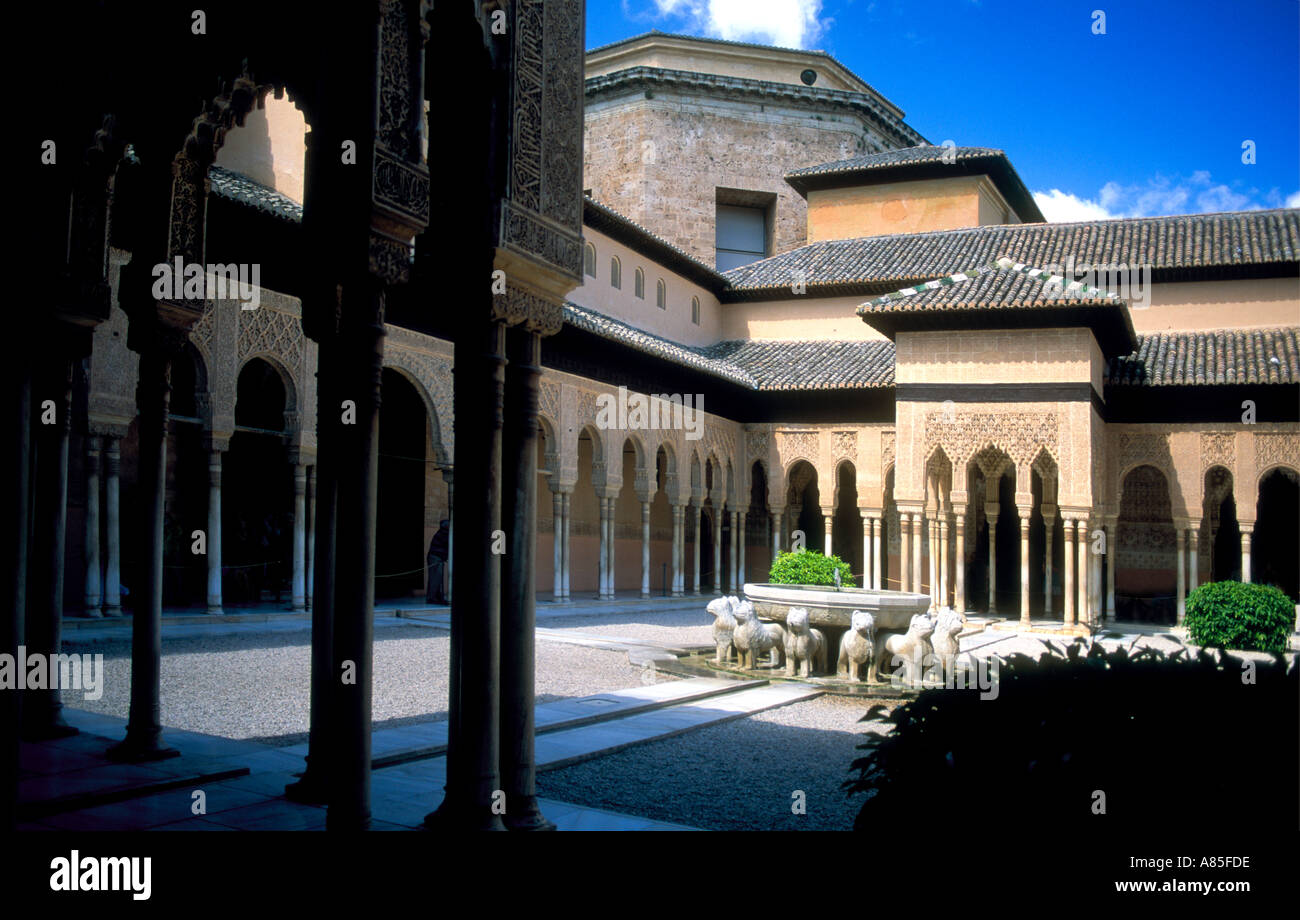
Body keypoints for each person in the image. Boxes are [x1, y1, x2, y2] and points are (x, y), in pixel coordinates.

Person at [426, 519, 450, 605]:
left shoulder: (442, 533)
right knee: (435, 579)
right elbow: (448, 544)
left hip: (437, 558)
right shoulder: (444, 534)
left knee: (437, 579)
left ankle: (437, 597)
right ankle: (433, 598)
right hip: (435, 558)